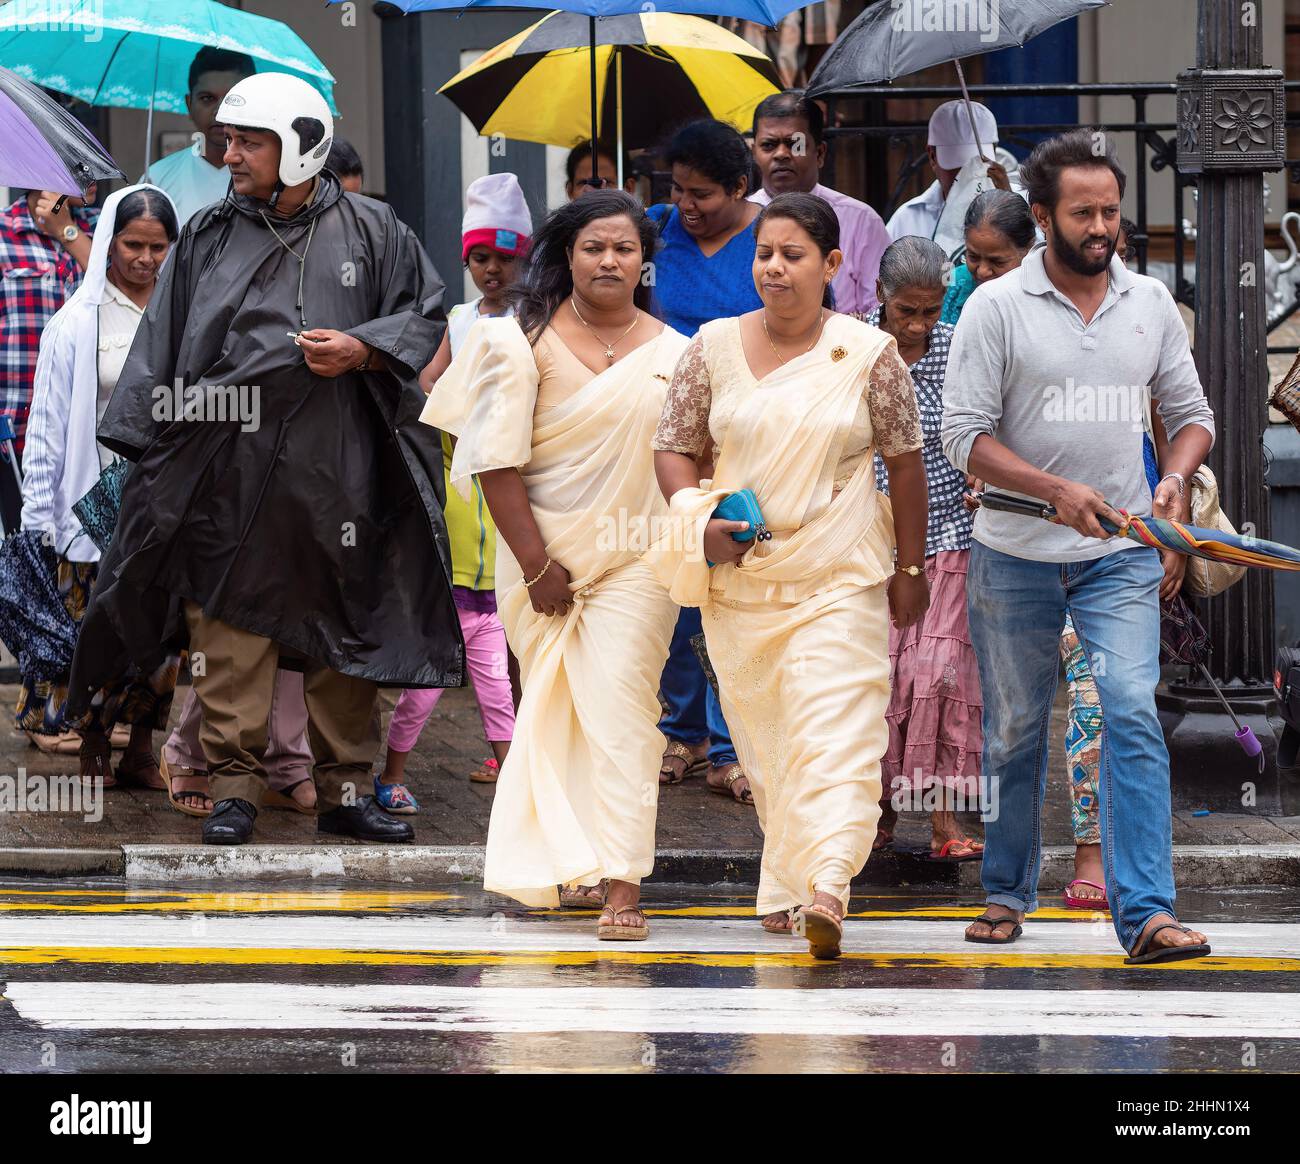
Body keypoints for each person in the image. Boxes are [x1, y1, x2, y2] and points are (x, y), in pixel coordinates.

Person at [66, 72, 463, 848]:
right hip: (225, 475)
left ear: (302, 148)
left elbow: (423, 317)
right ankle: (235, 792)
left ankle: (348, 787)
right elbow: (160, 353)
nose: (229, 153)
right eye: (227, 139)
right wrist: (150, 462)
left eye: (249, 141)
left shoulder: (376, 231)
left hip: (341, 473)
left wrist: (362, 348)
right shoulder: (207, 235)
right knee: (225, 635)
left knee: (341, 632)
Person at [941, 129, 1214, 963]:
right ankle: (1006, 888)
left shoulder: (1150, 303)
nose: (1103, 227)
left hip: (1124, 551)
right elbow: (963, 438)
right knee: (1017, 726)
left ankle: (1147, 914)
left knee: (1130, 707)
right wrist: (1054, 490)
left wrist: (1171, 483)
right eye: (1084, 212)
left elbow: (1192, 416)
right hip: (1013, 551)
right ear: (1042, 215)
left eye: (1112, 211)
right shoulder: (995, 307)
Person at [652, 193, 929, 959]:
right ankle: (789, 880)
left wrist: (911, 568)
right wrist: (694, 515)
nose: (775, 267)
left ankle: (831, 882)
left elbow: (906, 467)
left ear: (833, 264)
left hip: (840, 570)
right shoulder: (710, 346)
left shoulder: (868, 354)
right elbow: (673, 445)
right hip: (745, 580)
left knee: (835, 729)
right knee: (771, 738)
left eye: (794, 255)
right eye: (765, 254)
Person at [422, 191, 686, 939]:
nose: (609, 260)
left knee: (623, 715)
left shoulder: (677, 353)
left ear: (645, 261)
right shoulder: (514, 341)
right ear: (567, 255)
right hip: (538, 559)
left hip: (638, 559)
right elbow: (493, 462)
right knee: (558, 711)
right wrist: (538, 567)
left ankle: (622, 882)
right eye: (594, 247)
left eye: (625, 249)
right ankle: (572, 860)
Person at [376, 173, 531, 811]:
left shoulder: (541, 322)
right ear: (465, 259)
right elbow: (427, 396)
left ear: (526, 256)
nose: (492, 269)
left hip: (515, 497)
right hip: (459, 497)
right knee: (462, 654)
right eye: (479, 258)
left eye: (505, 257)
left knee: (501, 656)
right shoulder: (459, 322)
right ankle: (395, 771)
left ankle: (515, 768)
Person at [19, 185, 181, 785]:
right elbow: (48, 424)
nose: (144, 258)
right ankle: (91, 739)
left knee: (163, 632)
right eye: (133, 244)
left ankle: (141, 747)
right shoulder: (75, 324)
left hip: (162, 503)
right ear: (109, 242)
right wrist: (39, 515)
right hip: (91, 506)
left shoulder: (182, 315)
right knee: (97, 628)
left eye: (158, 247)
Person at [646, 119, 760, 801]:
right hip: (668, 435)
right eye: (678, 190)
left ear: (741, 187)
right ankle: (681, 732)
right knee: (679, 583)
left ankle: (730, 745)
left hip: (744, 432)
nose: (687, 205)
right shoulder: (656, 231)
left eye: (704, 194)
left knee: (731, 584)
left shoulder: (764, 244)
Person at [867, 237, 983, 861]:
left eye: (928, 311)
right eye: (904, 310)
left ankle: (942, 822)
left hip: (950, 536)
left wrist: (981, 472)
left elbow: (986, 421)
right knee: (878, 682)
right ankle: (875, 814)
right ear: (880, 297)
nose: (915, 325)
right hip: (869, 543)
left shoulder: (960, 346)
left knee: (936, 679)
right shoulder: (853, 345)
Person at [0, 185, 98, 531]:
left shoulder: (103, 228)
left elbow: (120, 289)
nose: (89, 176)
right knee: (28, 550)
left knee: (89, 554)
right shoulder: (3, 234)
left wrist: (67, 233)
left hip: (91, 427)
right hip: (15, 429)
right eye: (75, 166)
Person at [748, 90, 891, 314]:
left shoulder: (862, 221)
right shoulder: (739, 220)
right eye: (769, 145)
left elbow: (880, 312)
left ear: (820, 153)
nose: (781, 154)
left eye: (795, 144)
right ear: (754, 152)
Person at [141, 47, 255, 225]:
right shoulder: (157, 180)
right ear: (189, 104)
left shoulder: (274, 181)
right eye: (207, 98)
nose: (219, 111)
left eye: (232, 99)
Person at [886, 101, 1015, 242]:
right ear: (932, 157)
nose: (968, 174)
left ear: (994, 154)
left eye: (977, 163)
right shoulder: (908, 220)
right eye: (957, 166)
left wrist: (1013, 213)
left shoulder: (1021, 205)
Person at [941, 189, 1037, 324]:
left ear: (1028, 248)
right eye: (973, 257)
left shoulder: (1046, 295)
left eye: (997, 261)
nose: (982, 271)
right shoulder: (949, 283)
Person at [564, 140, 636, 200]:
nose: (592, 191)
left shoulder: (645, 215)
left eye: (607, 182)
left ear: (628, 188)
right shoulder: (557, 217)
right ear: (570, 191)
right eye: (583, 182)